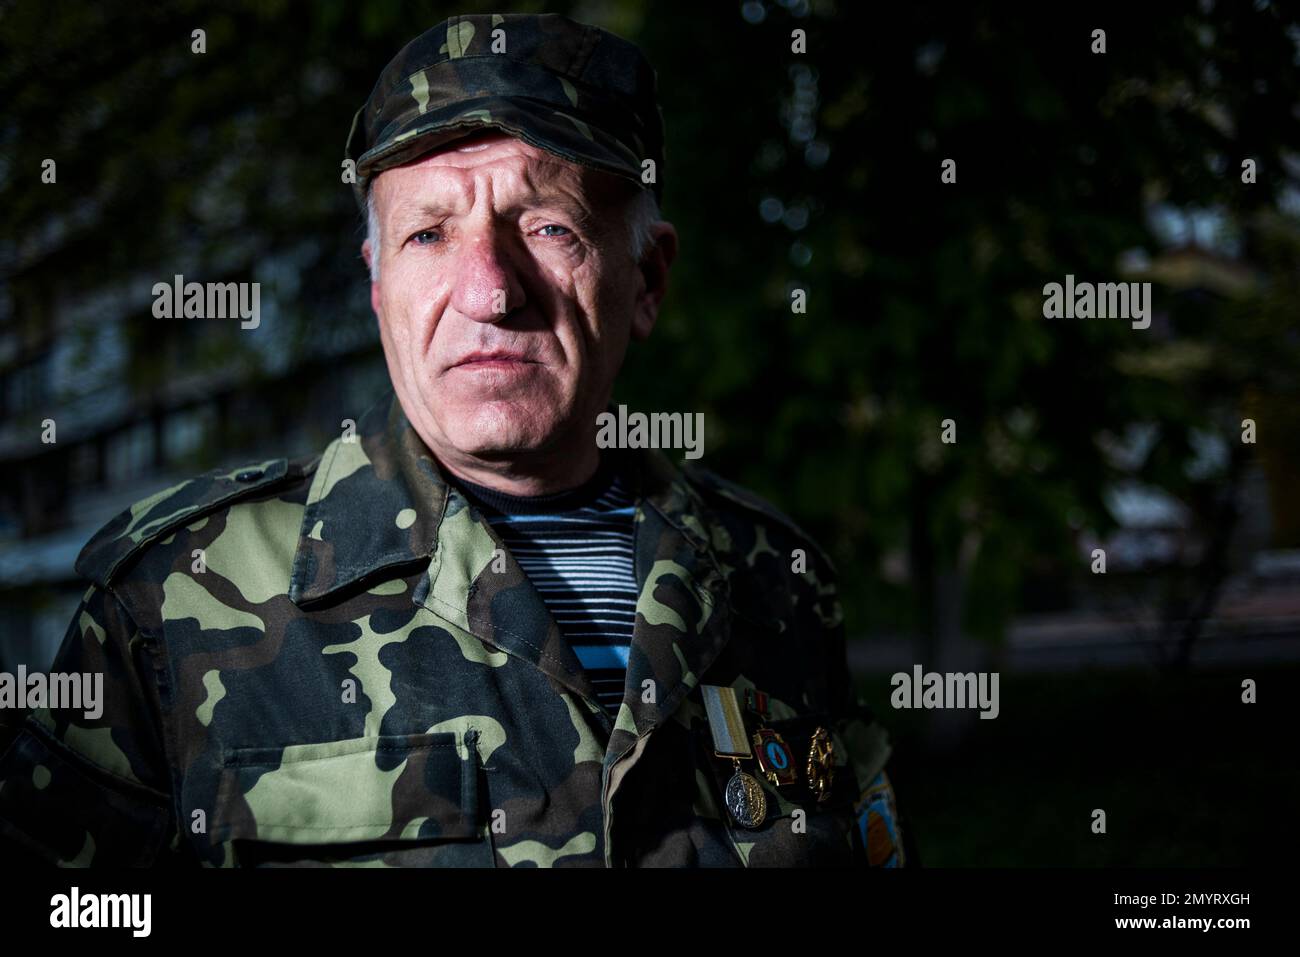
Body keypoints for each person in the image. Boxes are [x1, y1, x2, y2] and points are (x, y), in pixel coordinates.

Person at [0, 12, 913, 868]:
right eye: (429, 234)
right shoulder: (164, 601)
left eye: (547, 226)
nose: (488, 290)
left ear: (646, 279)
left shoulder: (777, 582)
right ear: (377, 284)